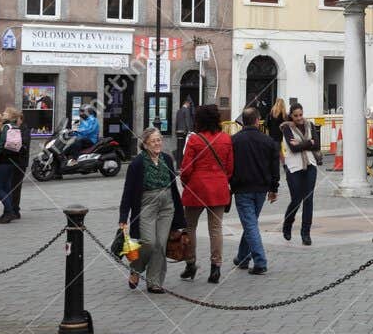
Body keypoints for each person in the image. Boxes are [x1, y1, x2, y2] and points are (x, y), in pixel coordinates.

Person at [118, 127, 186, 293]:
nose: (157, 144)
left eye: (159, 140)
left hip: (167, 206)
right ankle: (135, 268)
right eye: (154, 141)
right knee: (149, 242)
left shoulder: (167, 159)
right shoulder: (137, 163)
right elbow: (128, 191)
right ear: (145, 144)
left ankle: (154, 282)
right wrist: (123, 216)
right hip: (146, 205)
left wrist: (179, 213)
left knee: (161, 245)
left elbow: (174, 187)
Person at [179, 104, 233, 283]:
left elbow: (186, 169)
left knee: (190, 227)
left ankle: (191, 263)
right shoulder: (225, 138)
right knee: (216, 229)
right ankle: (215, 267)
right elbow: (230, 168)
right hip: (218, 188)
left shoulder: (194, 140)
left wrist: (186, 183)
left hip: (197, 187)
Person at [229, 106, 280, 275]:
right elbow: (274, 168)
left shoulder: (234, 140)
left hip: (242, 188)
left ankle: (260, 261)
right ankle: (243, 257)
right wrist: (274, 188)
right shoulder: (268, 141)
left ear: (243, 121)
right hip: (261, 188)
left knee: (250, 224)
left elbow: (229, 166)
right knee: (250, 223)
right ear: (258, 121)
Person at [280, 103, 320, 245]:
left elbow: (317, 145)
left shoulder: (310, 125)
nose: (299, 118)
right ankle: (288, 224)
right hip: (294, 167)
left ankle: (306, 233)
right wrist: (309, 142)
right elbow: (293, 148)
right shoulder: (286, 127)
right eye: (296, 116)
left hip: (310, 165)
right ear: (291, 115)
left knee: (308, 199)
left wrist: (302, 143)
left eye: (300, 115)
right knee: (296, 199)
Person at [0, 107, 30, 223]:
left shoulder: (8, 127)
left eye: (5, 113)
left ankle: (11, 211)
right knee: (8, 187)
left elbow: (1, 145)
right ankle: (9, 212)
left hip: (8, 161)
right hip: (12, 161)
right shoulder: (15, 127)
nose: (3, 113)